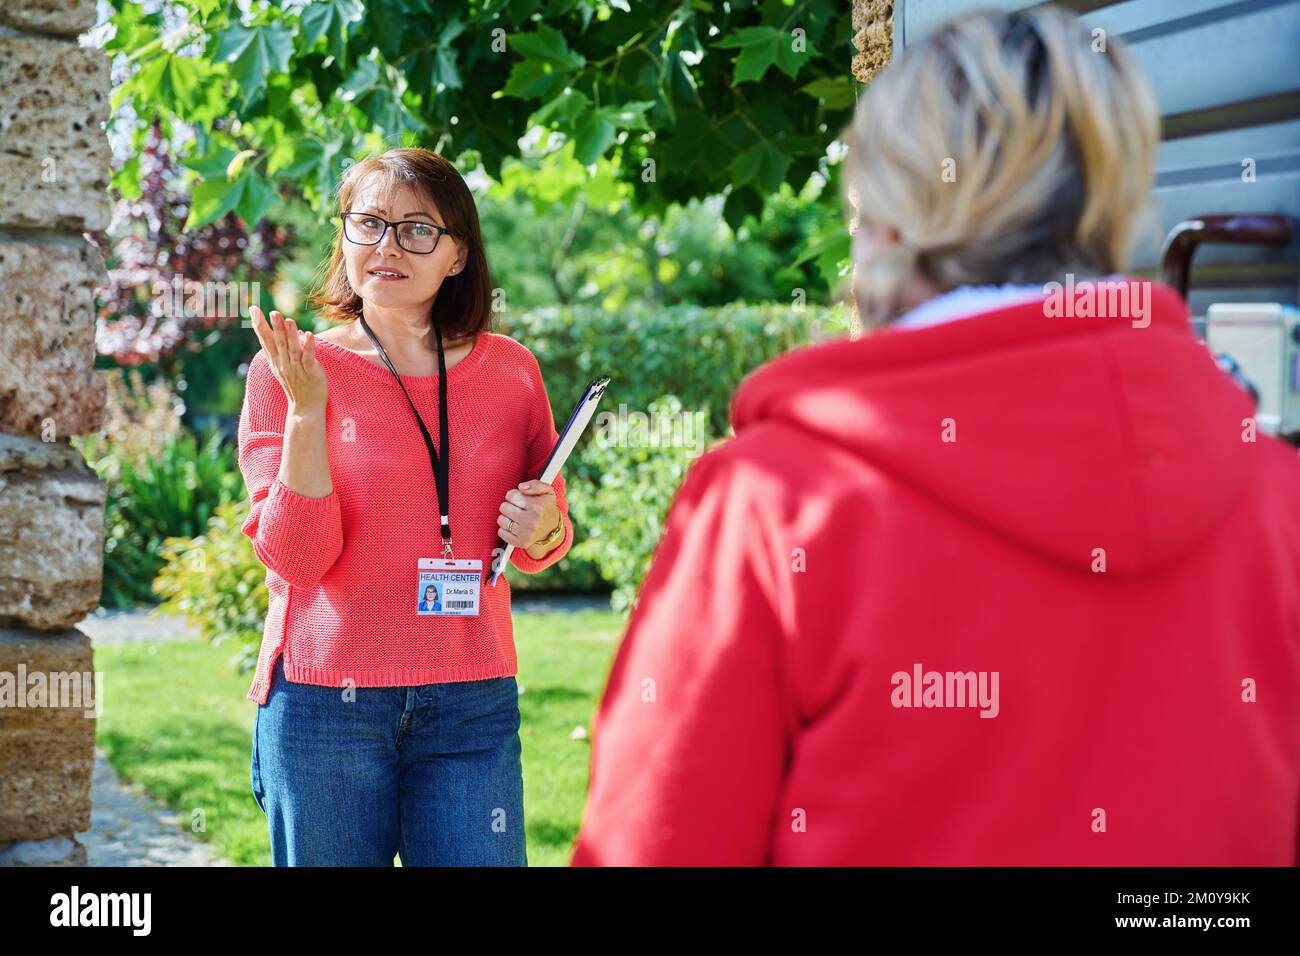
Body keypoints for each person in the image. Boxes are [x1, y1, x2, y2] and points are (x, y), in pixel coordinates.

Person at [570, 6, 1300, 865]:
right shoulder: (1277, 496)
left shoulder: (774, 507)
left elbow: (656, 843)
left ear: (887, 213)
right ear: (1114, 195)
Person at [241, 147, 573, 866]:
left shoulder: (511, 371)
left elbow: (549, 534)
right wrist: (307, 415)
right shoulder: (289, 370)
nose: (387, 246)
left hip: (470, 699)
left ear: (457, 256)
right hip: (326, 703)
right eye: (369, 223)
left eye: (417, 229)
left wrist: (543, 526)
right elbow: (298, 560)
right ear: (345, 238)